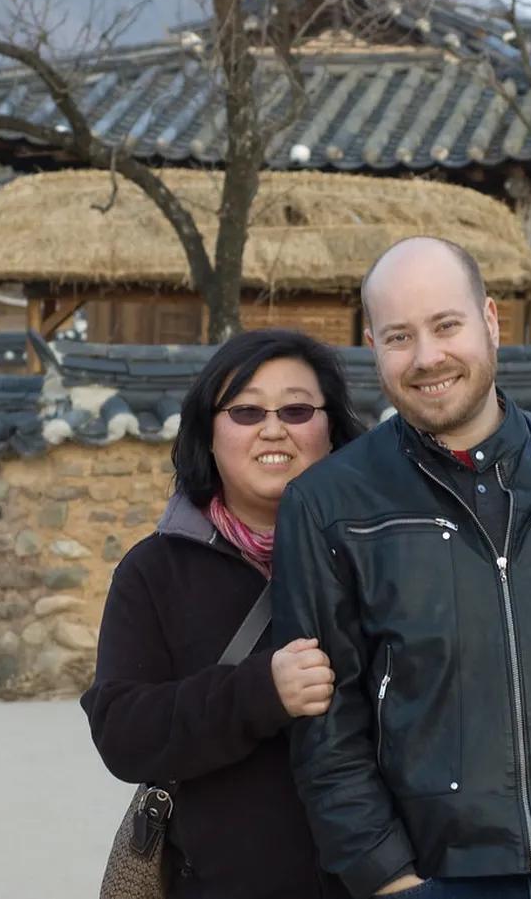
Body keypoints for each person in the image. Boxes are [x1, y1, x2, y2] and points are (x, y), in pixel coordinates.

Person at [271, 237, 531, 899]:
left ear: (491, 320)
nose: (427, 357)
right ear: (372, 343)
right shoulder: (329, 505)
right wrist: (386, 874)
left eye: (446, 325)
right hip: (431, 874)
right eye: (399, 335)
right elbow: (326, 721)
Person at [82, 329, 364, 898]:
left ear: (331, 430)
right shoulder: (154, 571)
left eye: (297, 408)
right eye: (246, 411)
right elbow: (122, 732)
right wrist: (259, 692)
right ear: (208, 433)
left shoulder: (379, 556)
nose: (273, 428)